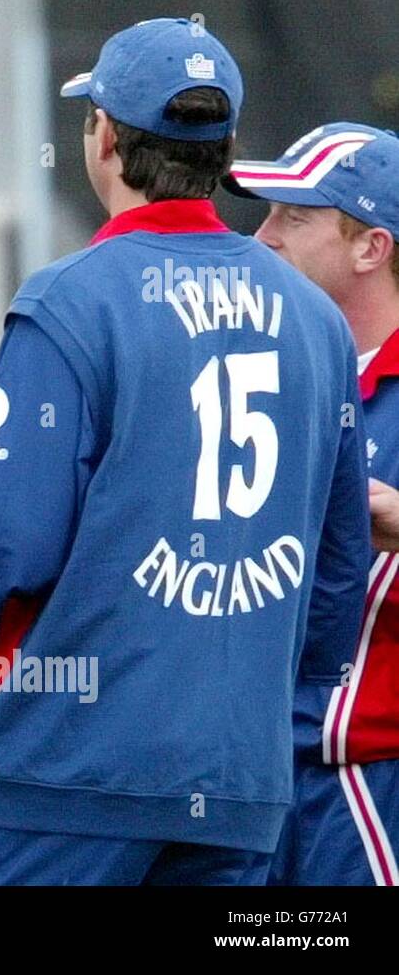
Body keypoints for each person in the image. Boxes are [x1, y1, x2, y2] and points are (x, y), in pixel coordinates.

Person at [0, 18, 372, 885]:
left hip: (63, 781)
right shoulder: (315, 319)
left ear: (106, 139)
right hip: (236, 786)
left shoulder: (74, 299)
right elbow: (337, 580)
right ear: (224, 151)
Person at [226, 122, 399, 884]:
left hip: (366, 782)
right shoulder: (248, 372)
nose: (262, 238)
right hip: (240, 786)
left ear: (372, 248)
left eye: (293, 218)